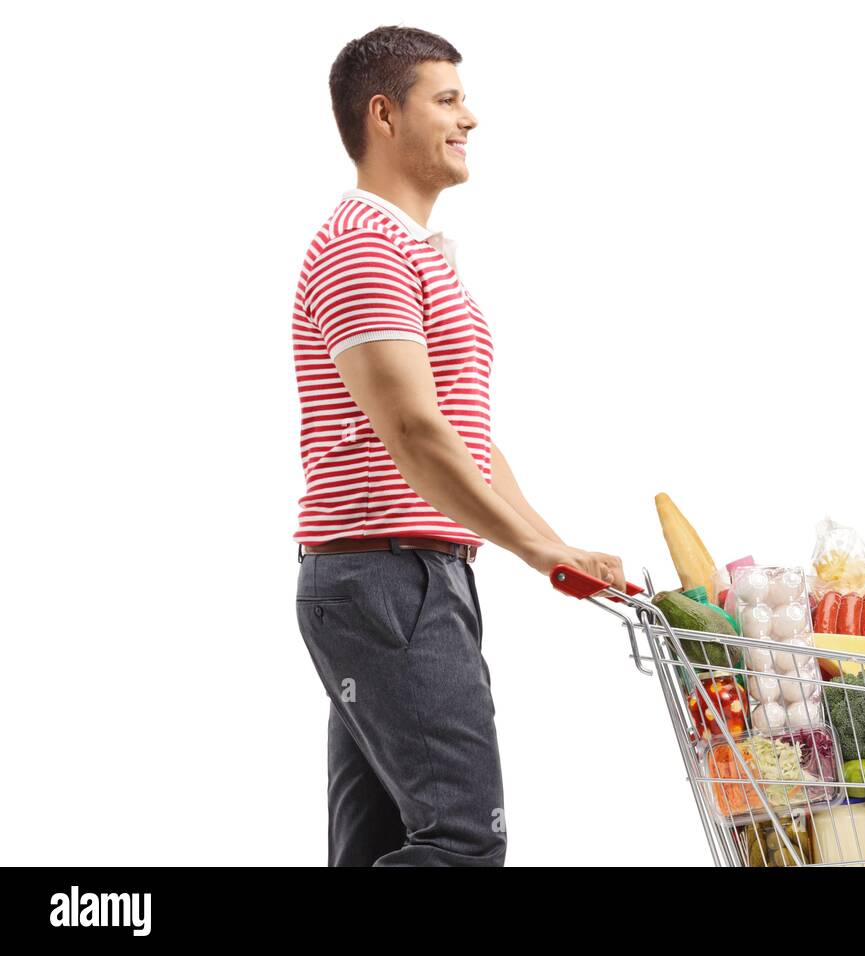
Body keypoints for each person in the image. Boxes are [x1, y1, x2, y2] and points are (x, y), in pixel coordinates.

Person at [291, 25, 625, 867]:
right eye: (446, 99)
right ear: (384, 115)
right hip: (386, 579)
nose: (469, 117)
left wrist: (558, 542)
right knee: (463, 843)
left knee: (384, 845)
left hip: (407, 579)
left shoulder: (412, 253)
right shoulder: (365, 245)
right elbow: (415, 433)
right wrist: (538, 553)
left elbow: (467, 440)